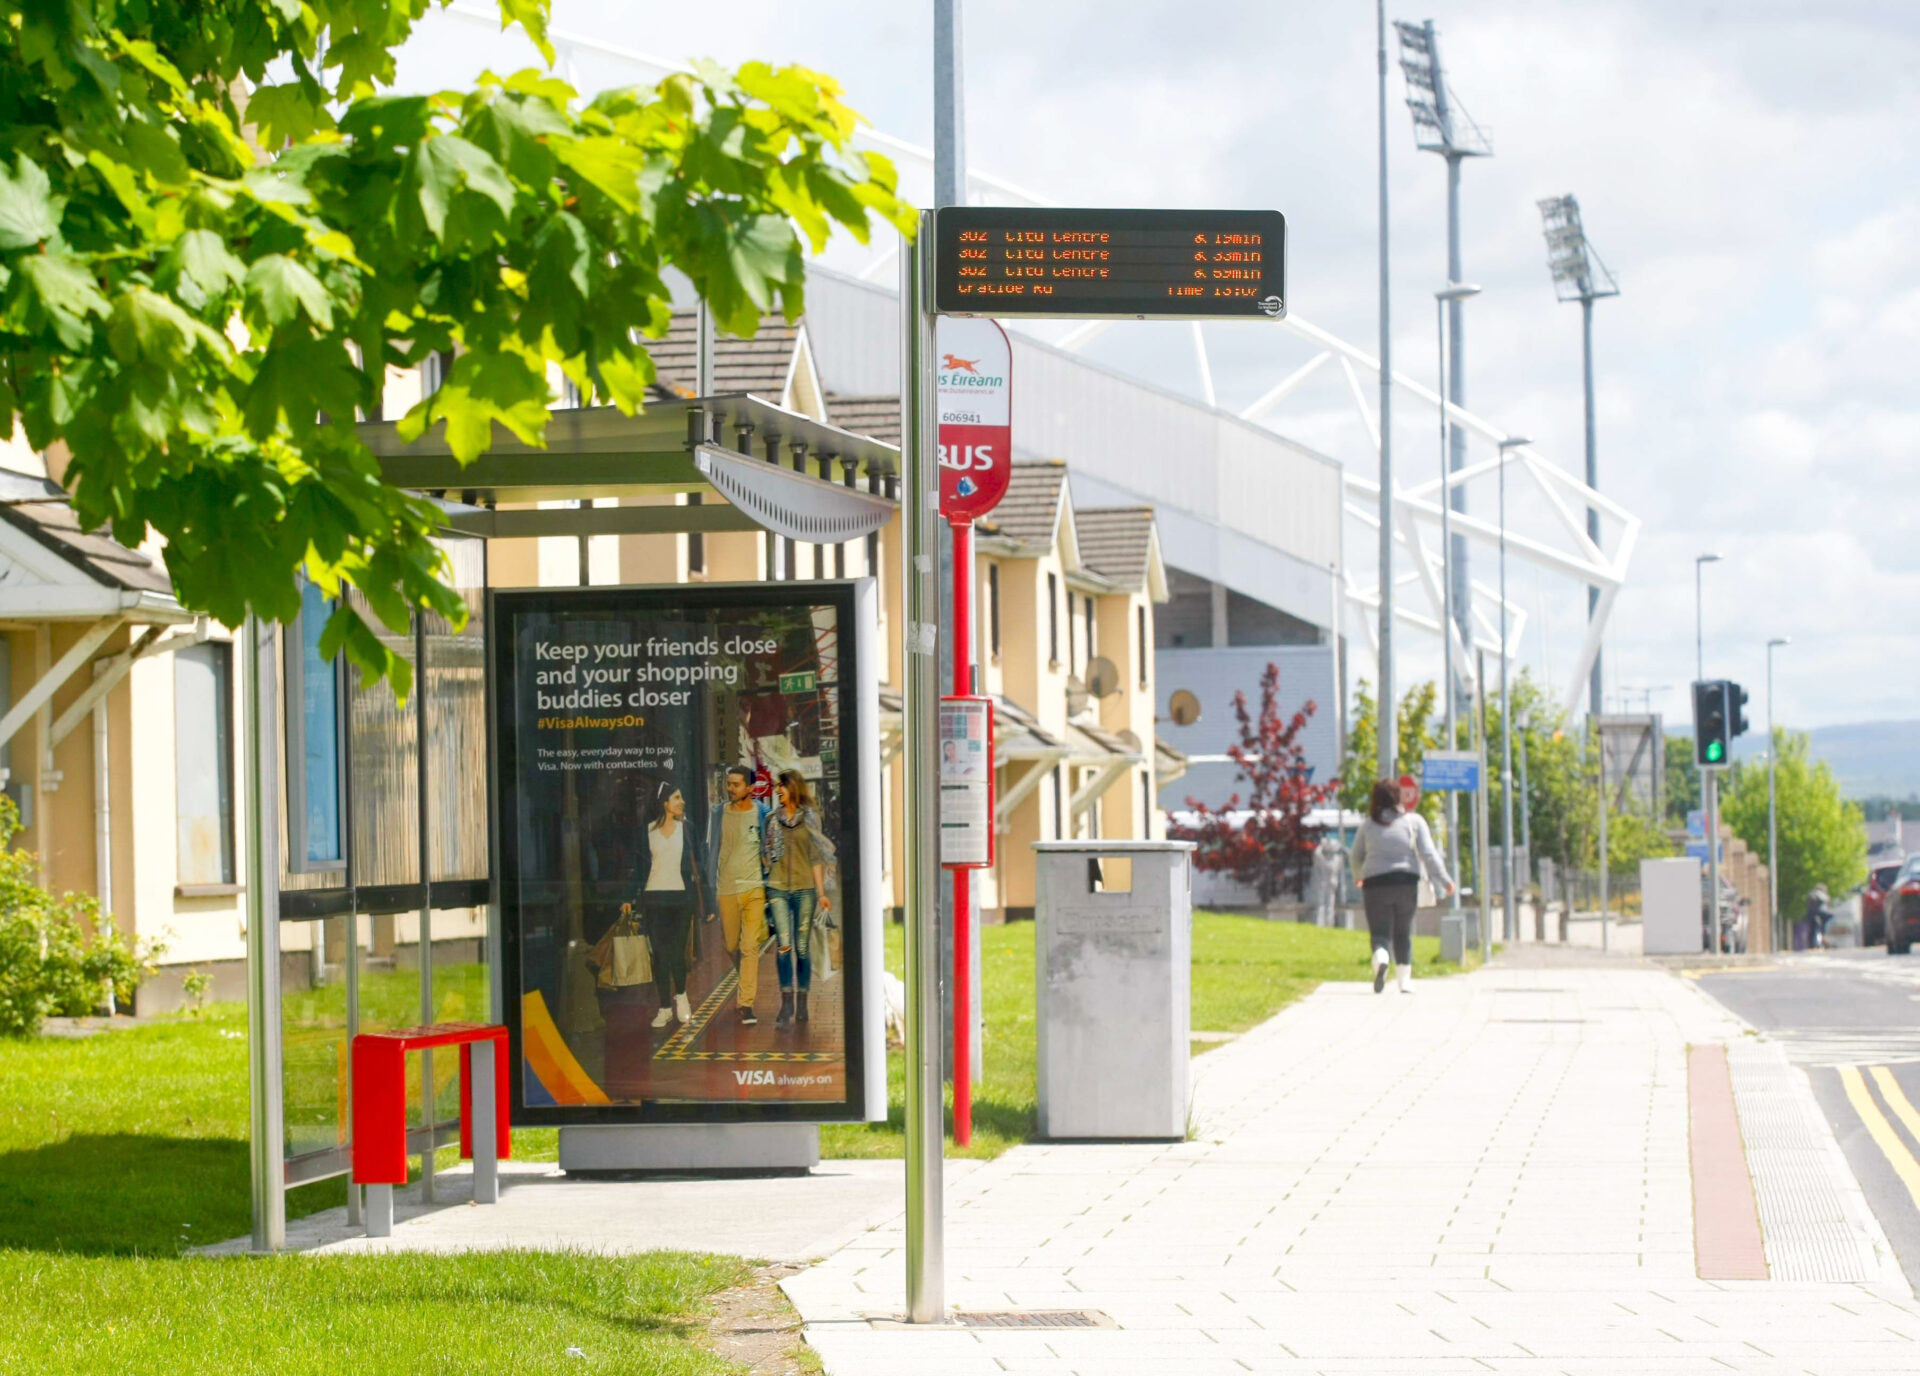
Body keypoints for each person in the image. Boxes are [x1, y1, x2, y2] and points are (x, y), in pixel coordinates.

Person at [1349, 779, 1456, 995]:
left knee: (1379, 932)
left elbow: (1355, 855)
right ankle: (1404, 981)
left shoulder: (1367, 825)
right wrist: (1445, 880)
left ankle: (1381, 957)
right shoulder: (1413, 822)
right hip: (1405, 882)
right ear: (1398, 797)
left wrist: (1358, 876)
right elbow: (1428, 853)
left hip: (1375, 884)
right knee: (1402, 931)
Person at [624, 780, 710, 1028]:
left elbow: (699, 866)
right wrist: (628, 898)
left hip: (681, 898)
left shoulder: (688, 829)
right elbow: (639, 869)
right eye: (676, 798)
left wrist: (707, 903)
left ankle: (681, 998)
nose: (681, 802)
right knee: (660, 955)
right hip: (654, 898)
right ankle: (664, 1008)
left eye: (681, 798)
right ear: (664, 804)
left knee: (677, 952)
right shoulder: (647, 831)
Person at [763, 769, 835, 1027]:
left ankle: (803, 1003)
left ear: (792, 787)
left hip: (805, 890)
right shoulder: (771, 819)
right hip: (778, 890)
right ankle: (786, 1004)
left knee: (802, 948)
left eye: (780, 786)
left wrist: (822, 893)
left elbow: (816, 857)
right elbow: (766, 855)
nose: (776, 790)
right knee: (784, 947)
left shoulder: (811, 819)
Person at [714, 765, 770, 1026]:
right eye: (729, 784)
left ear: (749, 788)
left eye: (735, 784)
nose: (730, 788)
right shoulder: (717, 814)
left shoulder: (762, 814)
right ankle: (745, 977)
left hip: (754, 888)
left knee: (750, 947)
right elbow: (709, 850)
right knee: (731, 946)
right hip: (726, 889)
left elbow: (774, 844)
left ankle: (745, 1003)